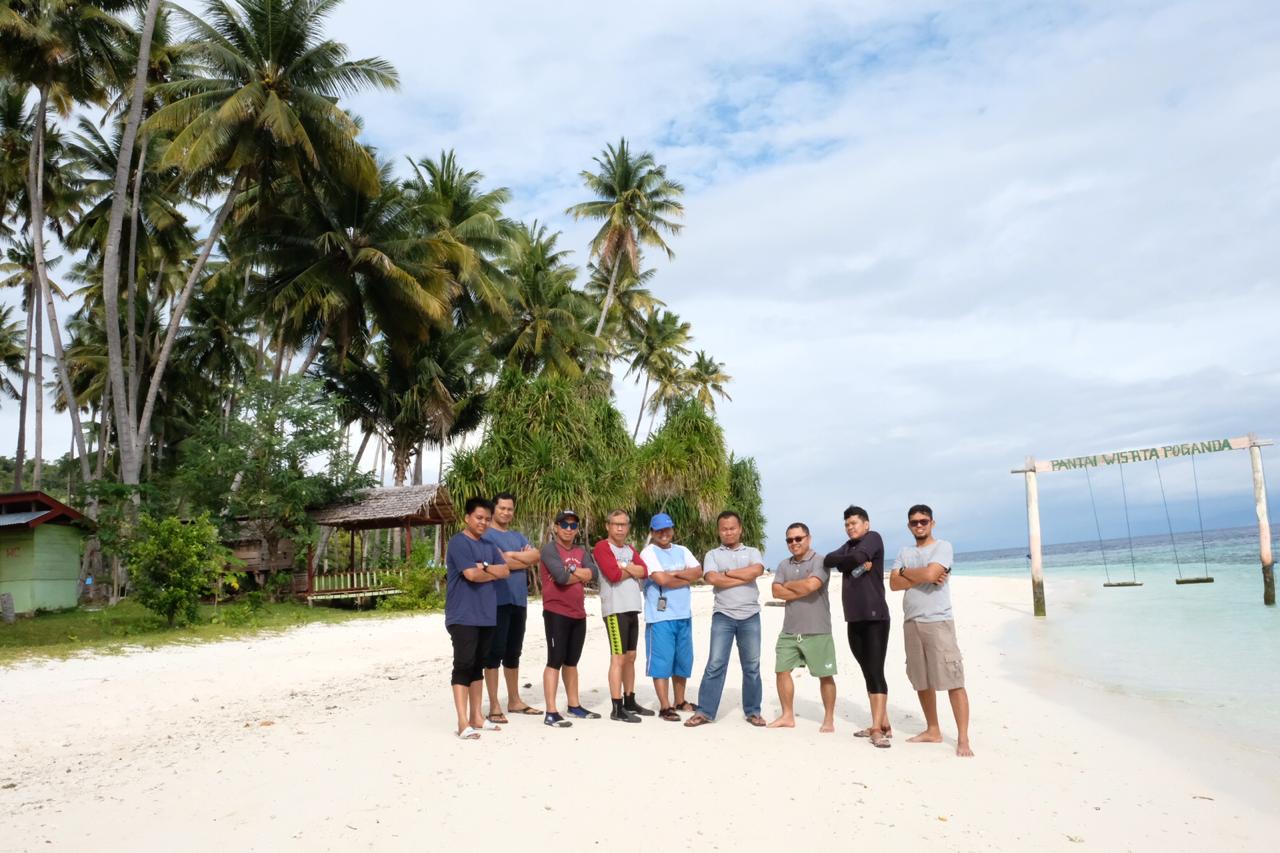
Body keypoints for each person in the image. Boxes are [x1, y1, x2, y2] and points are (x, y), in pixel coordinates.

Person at [888, 504, 974, 757]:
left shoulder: (943, 547)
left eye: (923, 521)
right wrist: (919, 574)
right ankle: (933, 730)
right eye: (914, 522)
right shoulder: (904, 551)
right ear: (909, 526)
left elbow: (930, 573)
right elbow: (894, 583)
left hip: (938, 621)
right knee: (921, 679)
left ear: (932, 523)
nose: (919, 525)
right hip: (911, 621)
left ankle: (963, 738)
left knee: (953, 680)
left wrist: (908, 573)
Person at [685, 511, 766, 728]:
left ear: (740, 529)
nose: (728, 532)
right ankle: (705, 712)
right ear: (718, 531)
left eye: (732, 528)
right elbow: (712, 578)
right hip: (723, 616)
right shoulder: (712, 554)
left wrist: (727, 573)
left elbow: (757, 570)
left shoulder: (752, 552)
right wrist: (742, 576)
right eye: (724, 529)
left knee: (752, 666)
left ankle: (753, 711)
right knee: (715, 664)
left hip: (750, 615)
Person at [823, 505, 892, 748]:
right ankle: (883, 722)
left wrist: (848, 562)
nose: (850, 527)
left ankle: (876, 729)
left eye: (854, 523)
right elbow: (829, 559)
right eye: (847, 524)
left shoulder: (873, 538)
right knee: (867, 670)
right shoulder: (849, 545)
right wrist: (849, 562)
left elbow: (855, 559)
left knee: (875, 670)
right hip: (853, 617)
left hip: (875, 617)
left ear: (866, 524)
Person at [444, 497, 510, 740]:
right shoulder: (458, 543)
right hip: (462, 615)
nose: (483, 522)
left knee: (477, 666)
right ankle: (463, 722)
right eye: (479, 517)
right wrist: (488, 570)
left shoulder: (489, 545)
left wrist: (485, 568)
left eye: (487, 519)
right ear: (467, 518)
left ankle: (477, 717)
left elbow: (505, 570)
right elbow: (471, 574)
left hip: (486, 615)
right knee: (463, 665)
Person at [768, 522, 838, 732]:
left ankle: (828, 719)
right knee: (781, 671)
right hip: (789, 630)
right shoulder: (783, 565)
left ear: (809, 538)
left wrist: (788, 585)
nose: (794, 543)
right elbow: (776, 592)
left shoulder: (820, 561)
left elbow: (811, 586)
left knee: (825, 675)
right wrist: (798, 588)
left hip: (817, 629)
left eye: (798, 538)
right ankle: (787, 716)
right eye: (789, 540)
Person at [481, 492, 544, 723]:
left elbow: (535, 556)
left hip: (518, 600)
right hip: (496, 601)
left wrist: (511, 555)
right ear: (494, 509)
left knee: (513, 652)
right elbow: (501, 563)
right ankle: (494, 705)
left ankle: (515, 700)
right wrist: (518, 560)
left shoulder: (517, 536)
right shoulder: (486, 535)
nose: (506, 512)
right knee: (494, 653)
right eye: (502, 508)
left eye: (510, 509)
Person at [539, 509, 601, 728]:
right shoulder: (549, 549)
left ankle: (574, 706)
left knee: (572, 661)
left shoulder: (581, 551)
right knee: (555, 660)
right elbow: (561, 577)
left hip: (578, 613)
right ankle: (551, 711)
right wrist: (578, 573)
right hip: (556, 612)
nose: (568, 529)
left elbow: (594, 573)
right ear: (556, 527)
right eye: (564, 524)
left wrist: (573, 571)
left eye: (573, 525)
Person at [592, 509, 654, 723]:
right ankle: (616, 707)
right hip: (615, 609)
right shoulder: (602, 547)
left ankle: (630, 700)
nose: (620, 528)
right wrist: (629, 569)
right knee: (617, 657)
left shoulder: (630, 549)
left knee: (631, 657)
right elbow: (613, 574)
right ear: (608, 526)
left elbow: (644, 571)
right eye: (616, 524)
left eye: (623, 524)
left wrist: (625, 566)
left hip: (632, 608)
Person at [639, 512, 702, 721]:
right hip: (660, 617)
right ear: (652, 532)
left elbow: (698, 572)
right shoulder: (649, 552)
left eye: (667, 529)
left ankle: (680, 701)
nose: (663, 533)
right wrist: (683, 576)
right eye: (659, 530)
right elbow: (661, 579)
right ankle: (665, 706)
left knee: (682, 660)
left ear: (673, 529)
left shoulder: (682, 550)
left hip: (683, 614)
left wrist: (672, 575)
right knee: (661, 662)